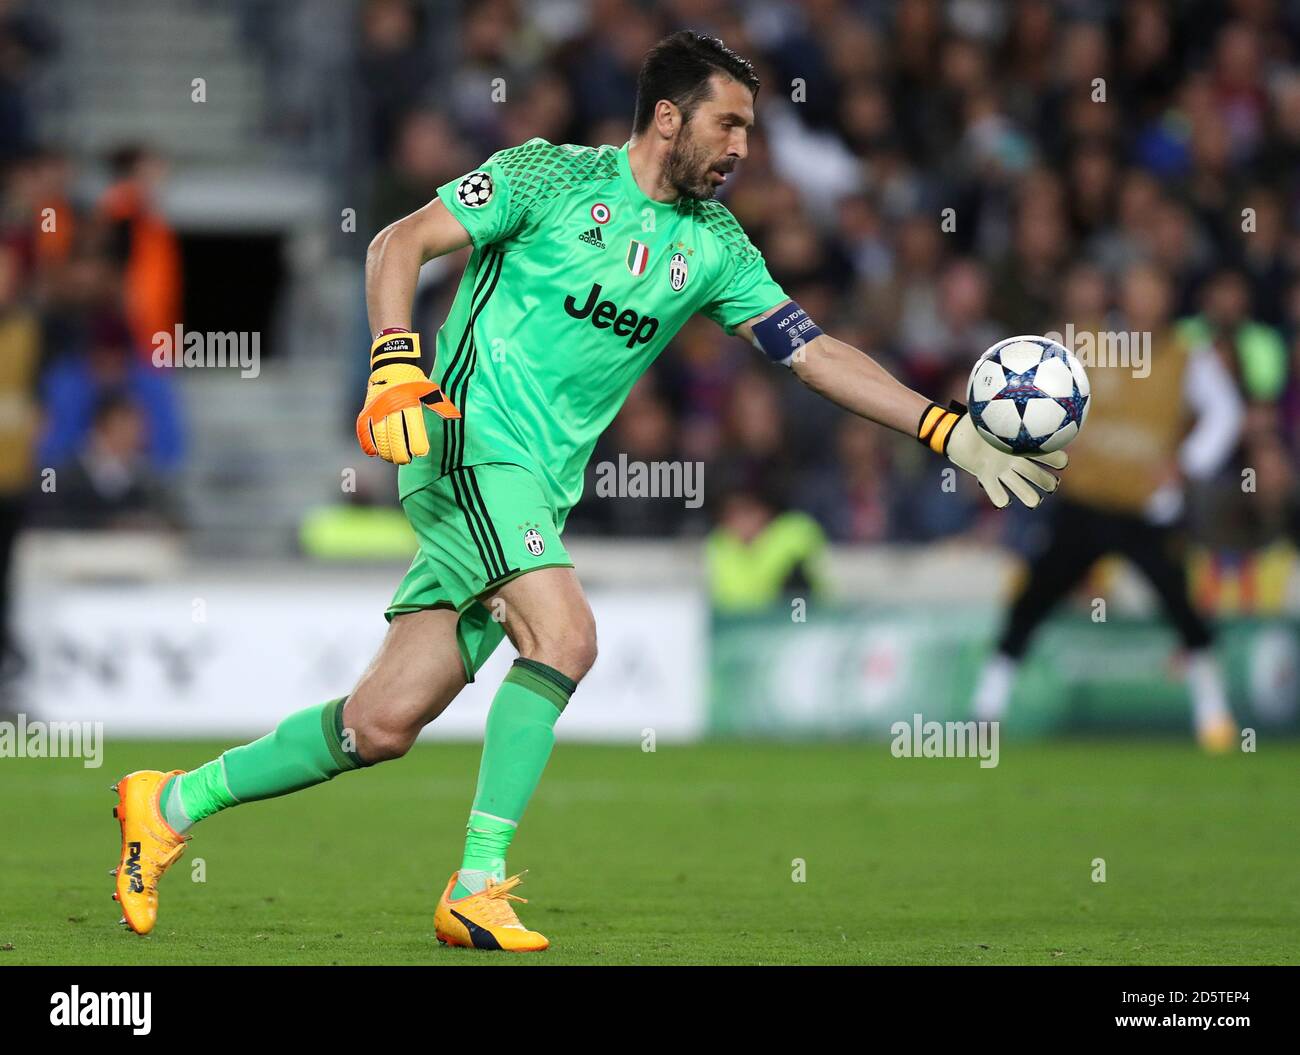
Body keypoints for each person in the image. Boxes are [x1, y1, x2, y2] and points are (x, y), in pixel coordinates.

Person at [110, 31, 1066, 951]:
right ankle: (476, 884)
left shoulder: (718, 247)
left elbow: (811, 354)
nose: (742, 147)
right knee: (566, 635)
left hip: (531, 490)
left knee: (380, 723)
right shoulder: (546, 176)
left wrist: (942, 426)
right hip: (465, 444)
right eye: (727, 125)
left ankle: (170, 801)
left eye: (749, 130)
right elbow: (397, 244)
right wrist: (395, 359)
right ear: (666, 119)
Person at [971, 263, 1243, 751]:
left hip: (1146, 508)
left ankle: (1214, 713)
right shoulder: (1082, 342)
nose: (1143, 300)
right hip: (1085, 503)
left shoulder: (1187, 355)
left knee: (1180, 604)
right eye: (1136, 288)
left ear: (1168, 298)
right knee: (1035, 597)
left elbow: (1226, 413)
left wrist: (1186, 464)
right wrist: (1044, 443)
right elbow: (1027, 394)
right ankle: (986, 709)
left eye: (1153, 290)